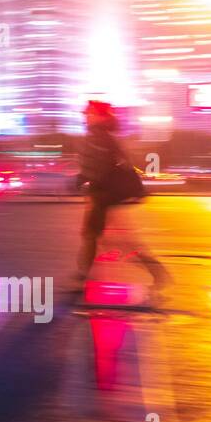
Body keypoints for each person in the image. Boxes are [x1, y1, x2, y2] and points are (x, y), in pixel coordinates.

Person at [76, 100, 168, 291]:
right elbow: (109, 163)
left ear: (101, 117)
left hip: (103, 195)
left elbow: (100, 166)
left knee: (106, 238)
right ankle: (83, 274)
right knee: (94, 235)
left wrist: (82, 178)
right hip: (104, 194)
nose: (87, 116)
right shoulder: (103, 136)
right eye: (86, 113)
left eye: (91, 113)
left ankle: (155, 270)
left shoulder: (100, 137)